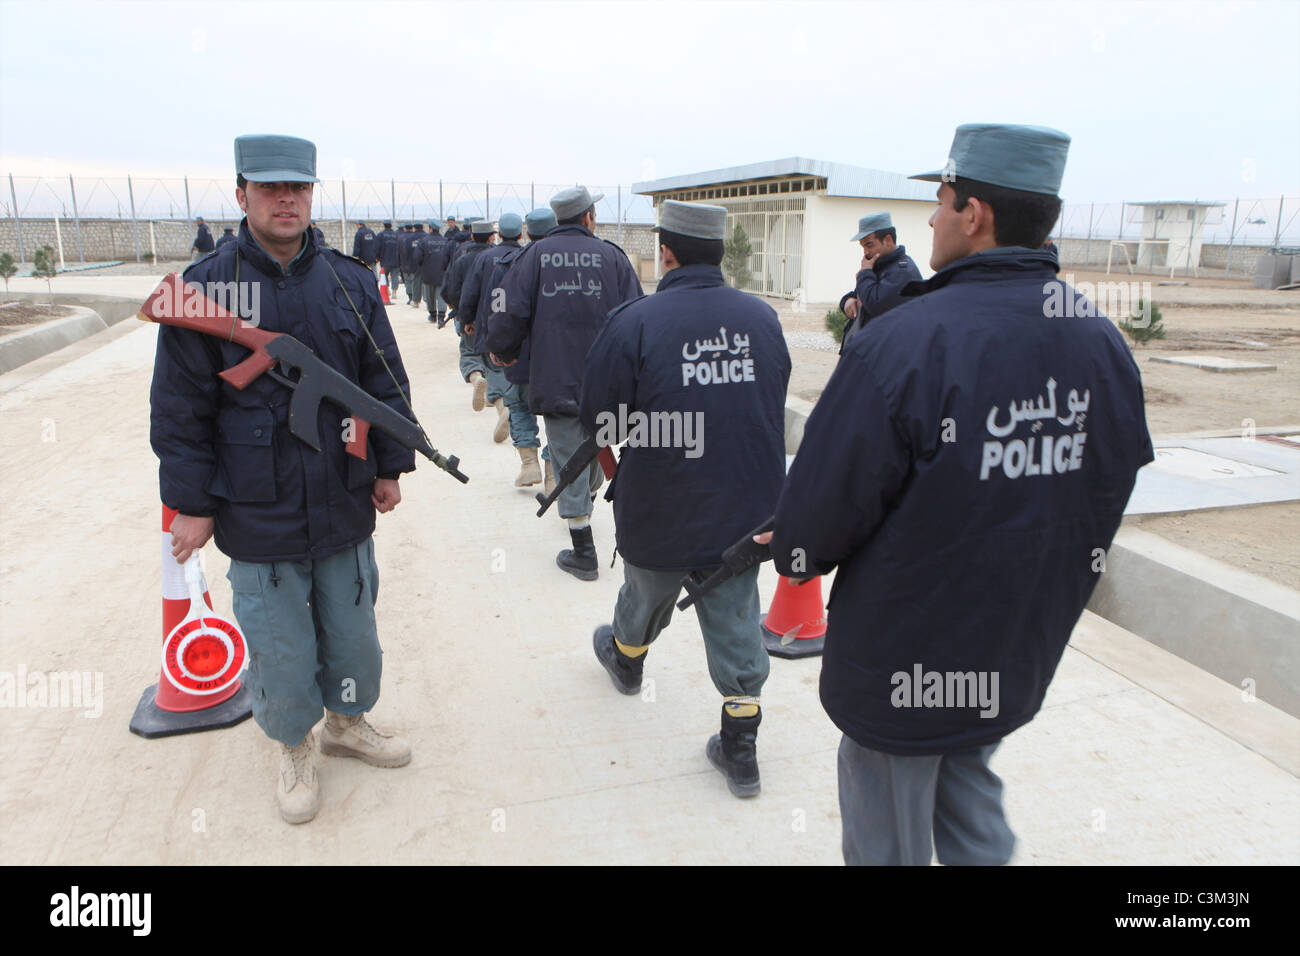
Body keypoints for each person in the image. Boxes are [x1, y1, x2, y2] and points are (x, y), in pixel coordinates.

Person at [767, 123, 1153, 865]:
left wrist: (790, 544)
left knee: (889, 832)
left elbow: (817, 517)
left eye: (941, 204)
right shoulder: (1099, 341)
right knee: (970, 794)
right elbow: (1110, 479)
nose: (934, 220)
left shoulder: (905, 340)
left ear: (974, 214)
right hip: (1012, 650)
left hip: (901, 664)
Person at [150, 134, 417, 826]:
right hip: (255, 502)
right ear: (241, 195)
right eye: (270, 188)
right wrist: (192, 504)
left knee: (352, 630)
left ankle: (347, 723)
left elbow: (381, 378)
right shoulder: (206, 288)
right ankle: (293, 743)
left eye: (298, 188)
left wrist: (389, 463)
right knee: (281, 643)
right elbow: (180, 410)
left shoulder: (351, 282)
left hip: (342, 494)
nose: (286, 200)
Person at [579, 201, 791, 797]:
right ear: (720, 253)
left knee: (645, 594)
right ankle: (741, 749)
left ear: (665, 253)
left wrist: (620, 472)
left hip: (660, 505)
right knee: (735, 619)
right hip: (743, 511)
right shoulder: (763, 319)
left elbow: (598, 419)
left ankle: (626, 659)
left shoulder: (635, 322)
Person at [488, 185, 641, 581]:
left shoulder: (534, 256)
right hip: (609, 384)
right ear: (589, 217)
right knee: (586, 454)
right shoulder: (614, 258)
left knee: (570, 458)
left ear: (560, 219)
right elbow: (639, 316)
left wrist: (501, 350)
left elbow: (507, 307)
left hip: (558, 380)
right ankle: (582, 522)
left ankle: (583, 552)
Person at [492, 207, 557, 489]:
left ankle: (529, 464)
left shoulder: (510, 263)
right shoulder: (565, 263)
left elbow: (499, 308)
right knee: (557, 415)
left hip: (520, 355)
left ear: (526, 233)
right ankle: (553, 470)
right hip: (557, 358)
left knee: (518, 406)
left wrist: (499, 347)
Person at [460, 213, 524, 448]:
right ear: (520, 234)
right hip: (521, 326)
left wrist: (467, 319)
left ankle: (503, 406)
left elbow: (471, 291)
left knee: (495, 366)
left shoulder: (485, 258)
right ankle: (515, 404)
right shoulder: (526, 256)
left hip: (490, 323)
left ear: (499, 234)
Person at [836, 212, 921, 354]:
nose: (866, 252)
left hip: (888, 356)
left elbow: (875, 303)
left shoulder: (902, 272)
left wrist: (864, 274)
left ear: (888, 240)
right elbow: (859, 293)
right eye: (862, 246)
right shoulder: (879, 265)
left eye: (870, 245)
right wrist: (847, 301)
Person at [442, 219, 497, 411]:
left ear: (472, 236)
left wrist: (463, 316)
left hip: (471, 316)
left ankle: (476, 377)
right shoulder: (499, 257)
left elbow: (450, 290)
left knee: (469, 352)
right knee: (495, 356)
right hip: (497, 316)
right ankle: (494, 396)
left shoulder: (462, 260)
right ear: (492, 236)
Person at [418, 219, 450, 324]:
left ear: (430, 229)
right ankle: (441, 316)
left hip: (428, 272)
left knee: (430, 295)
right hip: (442, 272)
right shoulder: (446, 241)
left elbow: (418, 258)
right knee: (441, 294)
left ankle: (432, 315)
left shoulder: (424, 241)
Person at [400, 221, 426, 306]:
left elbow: (406, 252)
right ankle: (427, 300)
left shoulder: (410, 238)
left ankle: (416, 301)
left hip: (414, 263)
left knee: (416, 282)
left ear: (414, 228)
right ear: (422, 227)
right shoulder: (426, 237)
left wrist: (407, 263)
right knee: (426, 283)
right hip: (426, 263)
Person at [377, 220, 400, 296]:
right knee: (394, 276)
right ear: (391, 225)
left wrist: (377, 257)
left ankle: (387, 289)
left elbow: (378, 248)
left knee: (384, 275)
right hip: (395, 260)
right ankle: (394, 291)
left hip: (384, 259)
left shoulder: (381, 235)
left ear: (384, 225)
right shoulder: (396, 235)